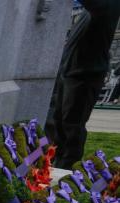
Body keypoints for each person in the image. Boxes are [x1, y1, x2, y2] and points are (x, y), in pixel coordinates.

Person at [46, 0, 120, 167]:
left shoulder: (110, 3)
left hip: (84, 76)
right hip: (70, 72)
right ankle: (52, 162)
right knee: (56, 122)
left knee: (72, 126)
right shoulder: (90, 12)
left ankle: (67, 167)